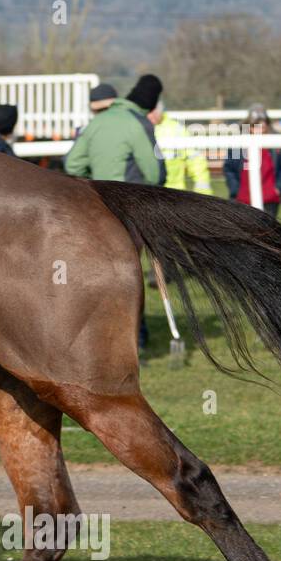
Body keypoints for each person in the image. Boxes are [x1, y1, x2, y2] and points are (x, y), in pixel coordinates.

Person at [64, 73, 167, 353]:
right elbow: (154, 171)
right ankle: (137, 338)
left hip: (94, 207)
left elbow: (73, 163)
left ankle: (94, 337)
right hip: (128, 209)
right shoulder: (139, 123)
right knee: (128, 275)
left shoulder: (96, 123)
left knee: (98, 274)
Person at [223, 103, 281, 219]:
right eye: (255, 125)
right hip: (242, 199)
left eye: (263, 124)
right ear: (248, 125)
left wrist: (278, 189)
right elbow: (229, 168)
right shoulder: (238, 143)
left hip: (270, 199)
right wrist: (235, 189)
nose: (260, 128)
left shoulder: (277, 142)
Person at [154, 102, 212, 195]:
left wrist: (203, 191)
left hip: (174, 194)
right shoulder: (140, 127)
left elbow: (196, 160)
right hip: (147, 192)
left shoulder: (177, 129)